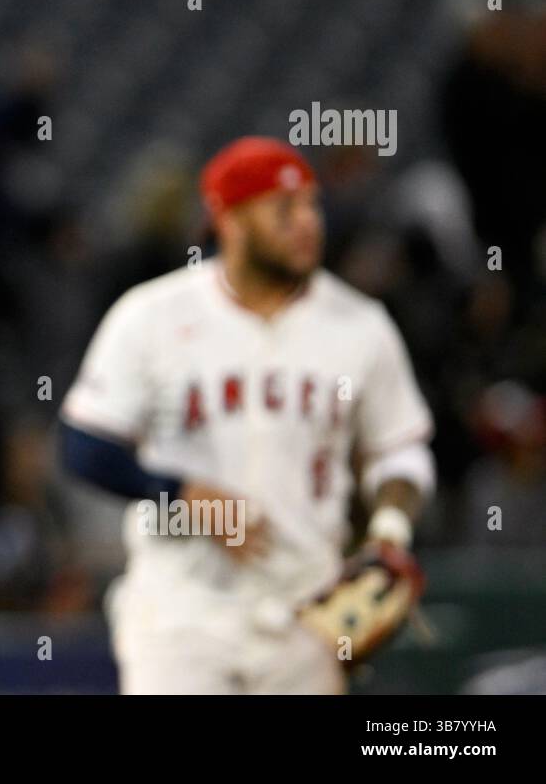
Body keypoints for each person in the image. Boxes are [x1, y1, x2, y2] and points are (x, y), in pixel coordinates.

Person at [59, 137, 434, 694]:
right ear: (230, 221)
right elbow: (84, 445)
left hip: (307, 610)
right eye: (284, 210)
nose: (307, 222)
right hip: (182, 612)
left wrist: (388, 530)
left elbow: (400, 447)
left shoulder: (361, 325)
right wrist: (180, 492)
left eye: (311, 205)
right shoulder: (152, 316)